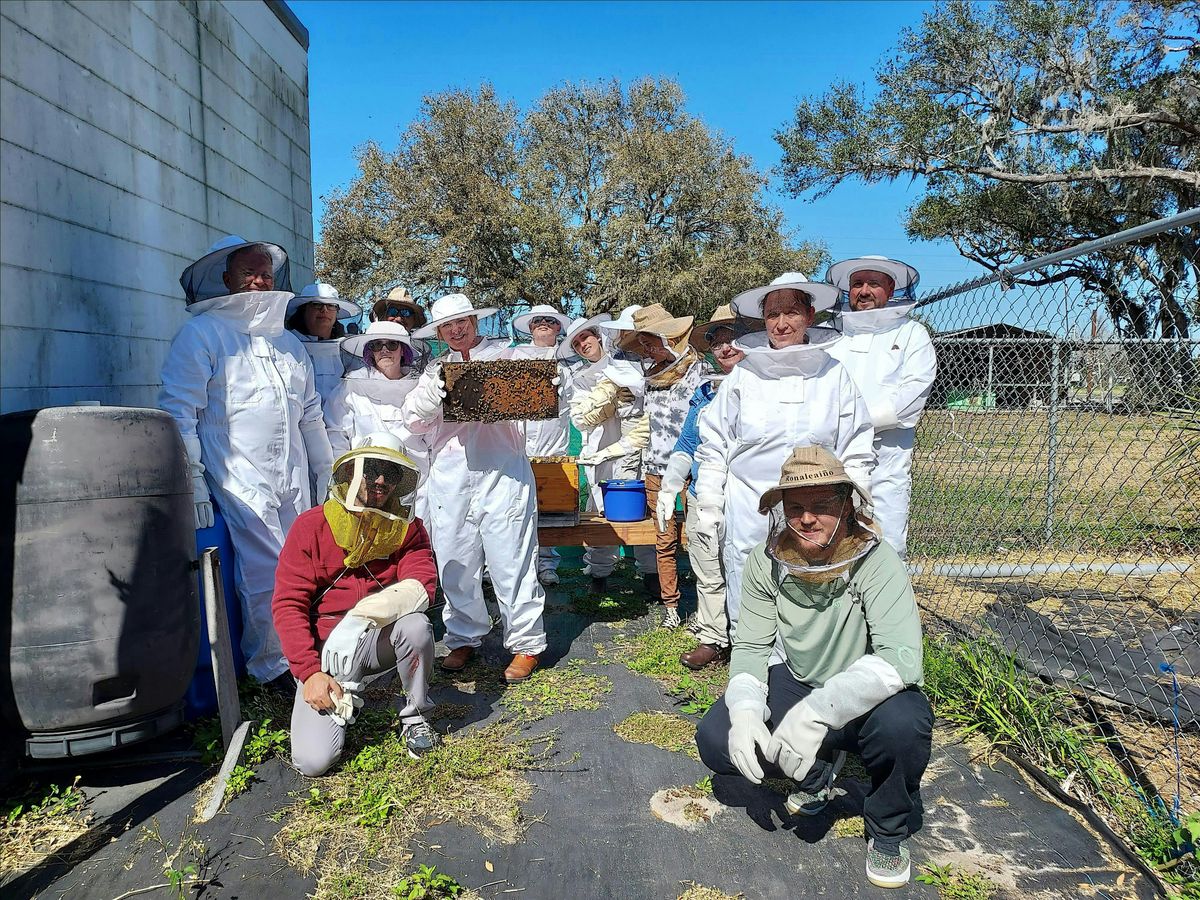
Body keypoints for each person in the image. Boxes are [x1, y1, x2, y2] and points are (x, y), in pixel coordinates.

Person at [695, 446, 931, 889]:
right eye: (796, 507)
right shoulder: (766, 561)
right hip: (800, 680)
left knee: (906, 725)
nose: (806, 519)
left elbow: (900, 658)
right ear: (780, 510)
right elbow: (749, 645)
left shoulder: (876, 561)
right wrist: (746, 711)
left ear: (846, 505)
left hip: (866, 691)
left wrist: (820, 711)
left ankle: (888, 829)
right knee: (716, 738)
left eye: (822, 505)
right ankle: (819, 774)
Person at [160, 235, 335, 687]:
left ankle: (307, 654)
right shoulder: (203, 334)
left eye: (265, 273)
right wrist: (193, 481)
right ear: (226, 280)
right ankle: (273, 667)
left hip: (291, 470)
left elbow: (311, 415)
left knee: (304, 564)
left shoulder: (289, 345)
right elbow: (180, 412)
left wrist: (326, 472)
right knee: (263, 572)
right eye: (248, 273)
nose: (259, 281)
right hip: (237, 472)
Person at [692, 274, 874, 637]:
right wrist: (710, 501)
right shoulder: (744, 374)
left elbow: (855, 441)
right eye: (773, 314)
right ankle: (751, 658)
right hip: (749, 499)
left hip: (816, 503)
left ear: (809, 314)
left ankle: (807, 656)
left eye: (790, 312)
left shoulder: (833, 374)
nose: (781, 323)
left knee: (815, 572)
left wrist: (858, 499)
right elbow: (715, 442)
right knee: (747, 567)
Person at [401, 293, 548, 684]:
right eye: (448, 325)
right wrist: (434, 398)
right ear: (440, 332)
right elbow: (412, 421)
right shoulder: (434, 370)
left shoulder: (508, 358)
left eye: (462, 321)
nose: (457, 329)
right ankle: (465, 634)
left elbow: (548, 396)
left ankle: (526, 643)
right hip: (450, 477)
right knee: (455, 559)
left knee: (511, 558)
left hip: (503, 473)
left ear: (474, 321)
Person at [272, 434, 439, 775]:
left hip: (376, 640)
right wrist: (310, 672)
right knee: (313, 761)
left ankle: (417, 718)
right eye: (372, 469)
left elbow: (422, 585)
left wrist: (361, 618)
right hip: (325, 655)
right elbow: (288, 605)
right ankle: (334, 692)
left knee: (416, 626)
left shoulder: (409, 530)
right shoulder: (310, 527)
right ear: (351, 472)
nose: (380, 480)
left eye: (390, 473)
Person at [577, 304, 703, 627]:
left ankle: (708, 610)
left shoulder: (695, 369)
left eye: (650, 341)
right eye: (642, 343)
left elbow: (697, 420)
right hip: (654, 466)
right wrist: (608, 450)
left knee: (702, 536)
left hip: (693, 465)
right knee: (661, 536)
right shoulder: (645, 374)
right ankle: (671, 607)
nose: (646, 349)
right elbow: (646, 425)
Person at [825, 257, 937, 557]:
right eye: (857, 284)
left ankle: (885, 604)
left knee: (886, 545)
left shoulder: (912, 334)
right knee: (831, 542)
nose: (864, 291)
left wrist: (853, 422)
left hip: (885, 463)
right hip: (830, 459)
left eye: (874, 284)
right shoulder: (831, 336)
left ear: (891, 288)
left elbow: (911, 397)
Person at [654, 305, 746, 668]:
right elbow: (688, 442)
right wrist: (669, 486)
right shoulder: (706, 390)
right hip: (702, 495)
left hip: (748, 495)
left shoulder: (766, 382)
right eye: (717, 342)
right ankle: (712, 636)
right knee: (707, 567)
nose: (724, 348)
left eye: (732, 338)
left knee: (746, 568)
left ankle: (749, 643)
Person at [569, 306, 660, 596]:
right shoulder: (580, 379)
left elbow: (649, 402)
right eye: (576, 343)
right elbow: (579, 417)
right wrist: (606, 400)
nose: (583, 344)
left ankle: (651, 572)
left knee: (645, 508)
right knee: (600, 512)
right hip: (601, 450)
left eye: (586, 337)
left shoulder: (631, 363)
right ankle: (599, 573)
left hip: (640, 447)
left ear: (599, 337)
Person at [511, 304, 574, 586]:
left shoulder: (568, 360)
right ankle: (514, 568)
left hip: (552, 447)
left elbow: (572, 400)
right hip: (518, 447)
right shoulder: (515, 355)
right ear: (530, 327)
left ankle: (548, 564)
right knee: (513, 512)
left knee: (551, 511)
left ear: (558, 327)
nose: (543, 325)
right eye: (538, 321)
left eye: (549, 321)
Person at [286, 282, 363, 404]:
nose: (324, 310)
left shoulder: (347, 351)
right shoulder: (287, 344)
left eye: (331, 306)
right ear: (303, 310)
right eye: (316, 305)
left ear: (336, 313)